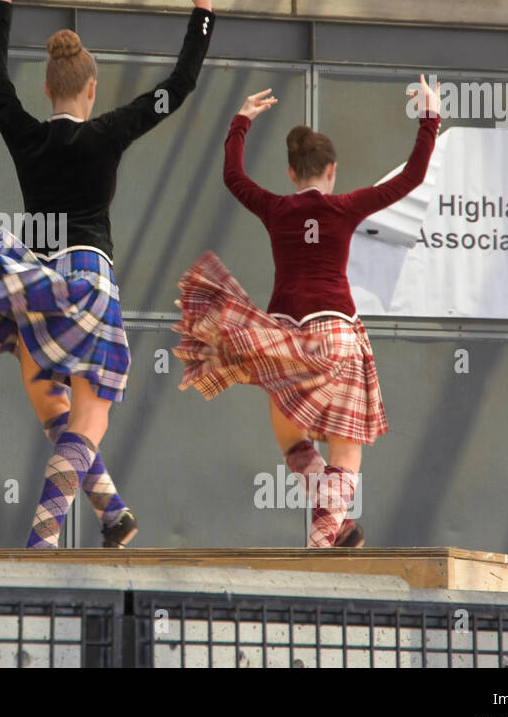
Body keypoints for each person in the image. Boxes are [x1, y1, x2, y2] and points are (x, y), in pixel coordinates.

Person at [0, 0, 216, 548]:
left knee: (54, 407)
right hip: (87, 280)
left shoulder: (26, 135)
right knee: (87, 420)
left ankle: (113, 515)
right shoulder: (109, 132)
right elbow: (176, 89)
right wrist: (201, 14)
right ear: (92, 89)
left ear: (45, 88)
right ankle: (42, 544)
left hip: (34, 282)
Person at [172, 77, 442, 547]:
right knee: (347, 445)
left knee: (290, 437)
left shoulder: (276, 208)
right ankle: (323, 537)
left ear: (292, 173)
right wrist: (428, 117)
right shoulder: (345, 207)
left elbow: (233, 177)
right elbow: (412, 177)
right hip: (336, 334)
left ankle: (334, 526)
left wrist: (240, 122)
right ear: (332, 170)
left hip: (284, 339)